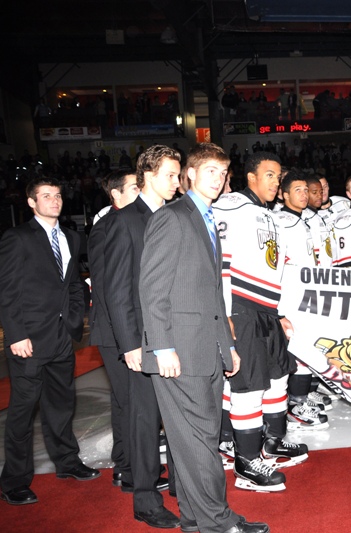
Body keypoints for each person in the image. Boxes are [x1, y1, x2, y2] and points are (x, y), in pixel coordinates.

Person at [140, 143, 269, 533]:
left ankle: (197, 519)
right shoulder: (173, 218)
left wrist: (227, 345)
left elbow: (212, 292)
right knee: (199, 443)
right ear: (189, 175)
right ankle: (217, 522)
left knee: (199, 439)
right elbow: (152, 289)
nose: (218, 179)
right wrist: (161, 347)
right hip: (179, 352)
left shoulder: (205, 218)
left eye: (222, 172)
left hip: (206, 350)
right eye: (210, 171)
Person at [0, 176, 98, 506]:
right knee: (22, 412)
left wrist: (74, 319)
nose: (54, 201)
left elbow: (72, 284)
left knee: (61, 405)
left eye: (57, 195)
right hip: (29, 339)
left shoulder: (70, 236)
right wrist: (16, 335)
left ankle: (67, 463)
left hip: (61, 337)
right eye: (45, 196)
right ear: (31, 202)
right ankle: (14, 480)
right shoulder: (17, 238)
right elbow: (8, 291)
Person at [214, 151, 302, 492]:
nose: (275, 182)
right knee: (247, 385)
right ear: (251, 176)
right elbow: (220, 265)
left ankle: (271, 442)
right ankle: (246, 462)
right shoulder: (230, 207)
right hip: (242, 307)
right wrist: (224, 315)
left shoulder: (269, 214)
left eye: (278, 176)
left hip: (268, 309)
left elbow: (279, 268)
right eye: (269, 175)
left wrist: (282, 312)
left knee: (278, 376)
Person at [104, 146, 179, 529]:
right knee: (145, 420)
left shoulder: (174, 215)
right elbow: (117, 291)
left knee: (177, 418)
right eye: (170, 175)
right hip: (143, 341)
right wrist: (130, 344)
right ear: (148, 175)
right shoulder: (124, 221)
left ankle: (183, 488)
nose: (176, 182)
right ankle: (146, 500)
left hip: (176, 335)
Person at [87, 169, 140, 495]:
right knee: (132, 402)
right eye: (135, 187)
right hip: (115, 331)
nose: (140, 191)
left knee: (125, 402)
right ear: (116, 195)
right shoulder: (107, 227)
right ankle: (132, 470)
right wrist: (125, 337)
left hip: (121, 330)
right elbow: (111, 288)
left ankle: (125, 464)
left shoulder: (126, 223)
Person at [274, 171, 330, 429]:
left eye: (306, 190)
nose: (304, 194)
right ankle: (294, 405)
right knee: (296, 349)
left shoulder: (302, 220)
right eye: (298, 190)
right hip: (289, 296)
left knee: (307, 348)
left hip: (306, 294)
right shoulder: (280, 221)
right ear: (283, 195)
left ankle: (301, 397)